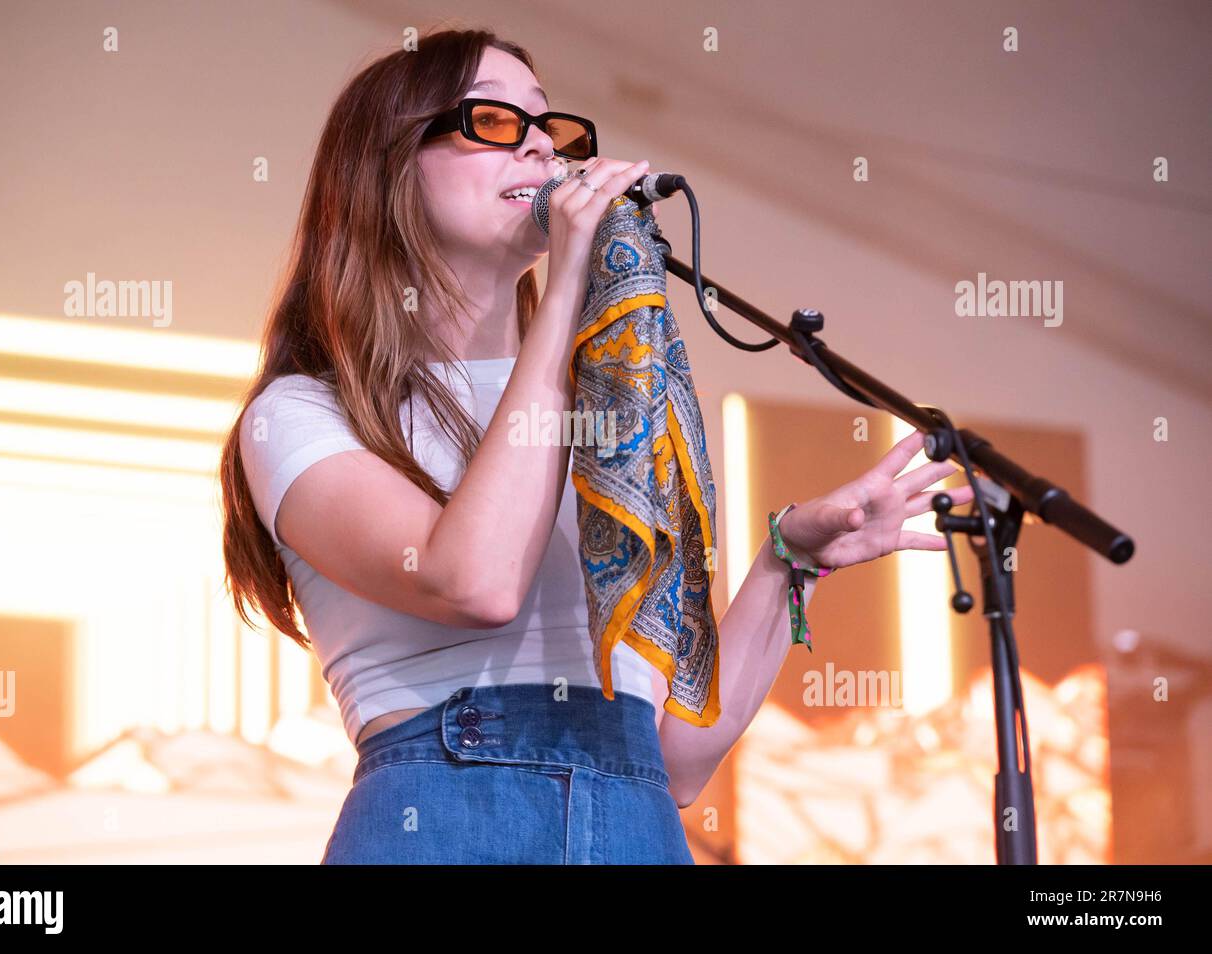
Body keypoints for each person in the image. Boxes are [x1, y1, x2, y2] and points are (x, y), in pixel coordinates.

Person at [218, 27, 973, 864]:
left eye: (549, 127)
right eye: (495, 122)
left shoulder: (609, 410)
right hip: (443, 813)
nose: (543, 145)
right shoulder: (301, 414)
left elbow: (677, 761)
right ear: (389, 163)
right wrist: (570, 284)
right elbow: (474, 580)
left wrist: (786, 562)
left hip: (634, 823)